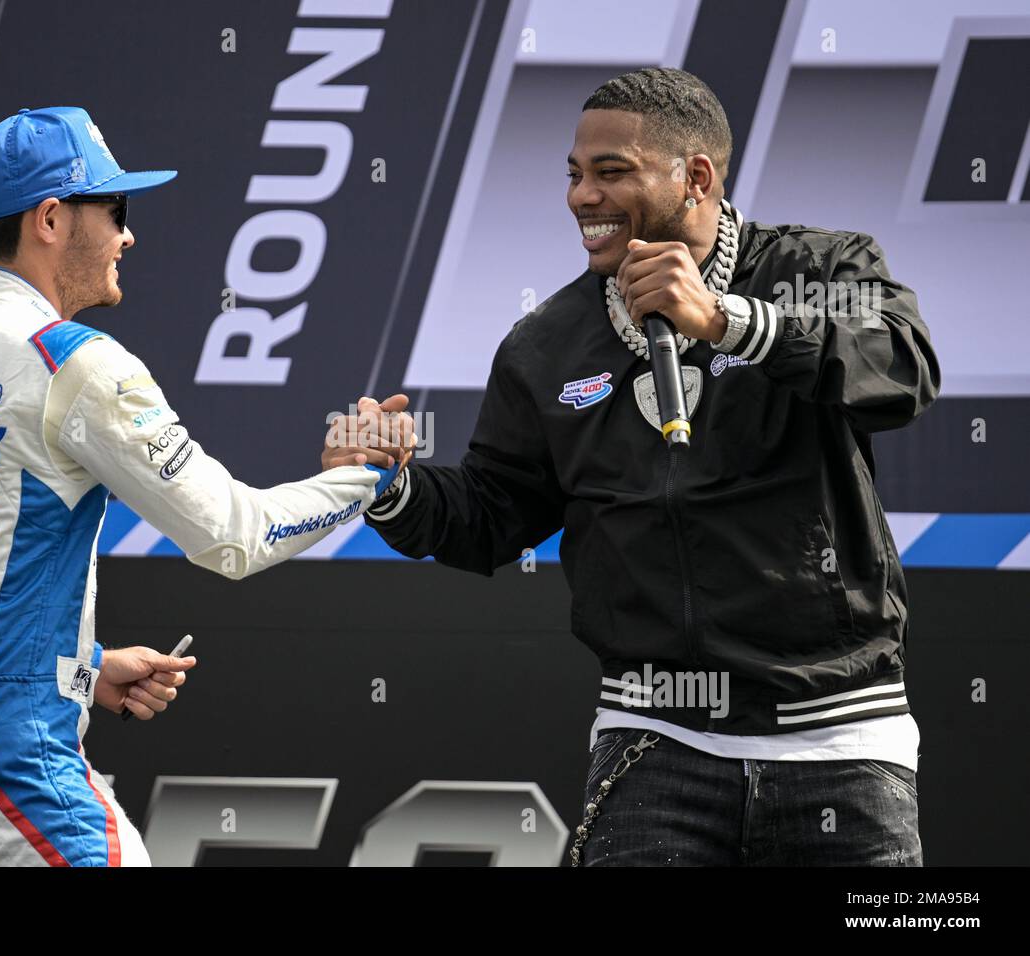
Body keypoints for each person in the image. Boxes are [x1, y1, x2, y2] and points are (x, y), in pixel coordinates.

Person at [336, 69, 940, 866]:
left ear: (697, 179)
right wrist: (387, 484)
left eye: (611, 172)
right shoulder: (544, 341)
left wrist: (729, 322)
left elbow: (902, 369)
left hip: (839, 741)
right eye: (575, 175)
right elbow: (491, 516)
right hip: (651, 744)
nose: (582, 196)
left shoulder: (818, 268)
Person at [0, 106, 400, 866]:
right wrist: (355, 479)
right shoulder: (69, 359)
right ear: (49, 218)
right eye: (115, 208)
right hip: (7, 768)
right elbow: (234, 535)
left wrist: (84, 664)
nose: (127, 235)